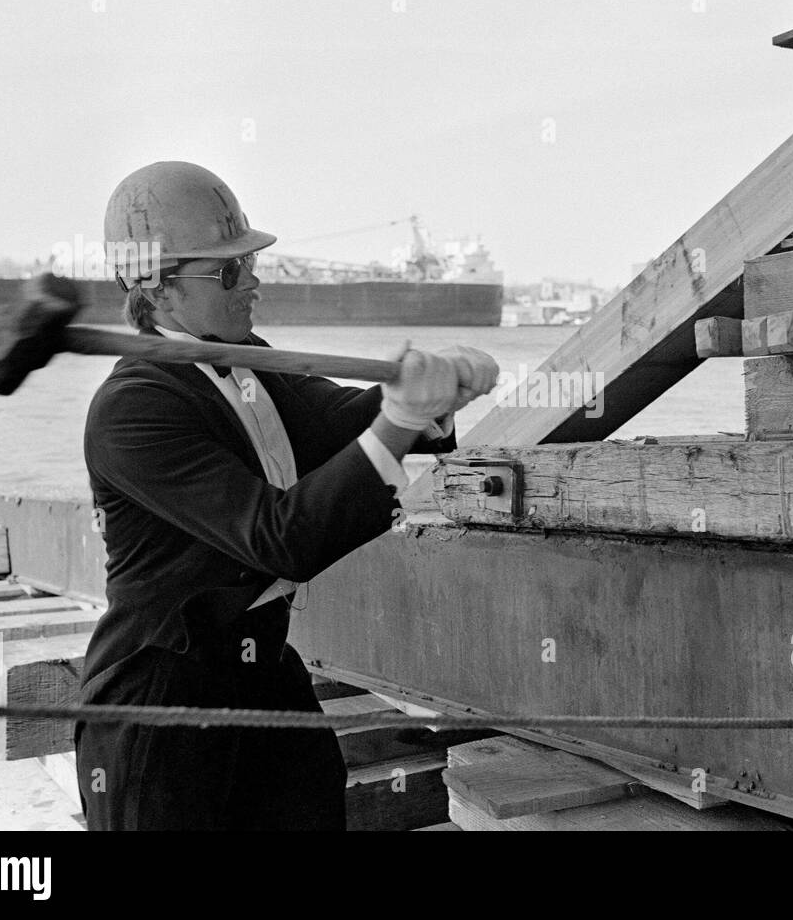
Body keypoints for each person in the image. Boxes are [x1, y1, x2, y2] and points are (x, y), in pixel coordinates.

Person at [74, 160, 498, 830]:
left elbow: (336, 423)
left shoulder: (248, 361)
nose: (254, 281)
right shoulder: (133, 410)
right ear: (158, 288)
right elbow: (282, 537)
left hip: (263, 672)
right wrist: (399, 420)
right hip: (164, 705)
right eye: (229, 271)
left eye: (248, 263)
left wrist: (433, 398)